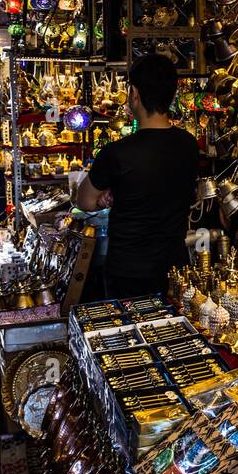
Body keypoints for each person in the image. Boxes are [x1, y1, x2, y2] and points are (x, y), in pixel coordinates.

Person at [77, 53, 198, 299]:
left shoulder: (117, 153)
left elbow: (84, 201)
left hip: (128, 273)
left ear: (134, 93)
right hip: (174, 268)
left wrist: (111, 192)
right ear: (172, 94)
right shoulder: (189, 145)